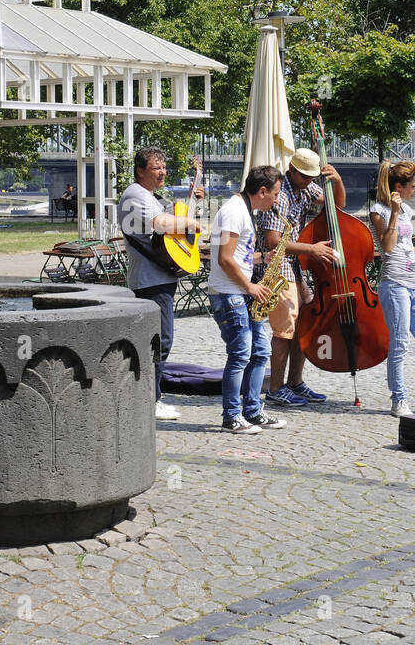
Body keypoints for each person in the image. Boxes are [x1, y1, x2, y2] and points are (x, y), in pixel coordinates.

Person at [119, 147, 206, 422]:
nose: (162, 172)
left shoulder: (151, 197)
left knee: (160, 340)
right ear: (140, 170)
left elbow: (177, 226)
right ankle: (150, 400)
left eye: (164, 167)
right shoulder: (135, 194)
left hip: (160, 277)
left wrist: (195, 203)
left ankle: (152, 396)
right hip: (149, 280)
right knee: (159, 340)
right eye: (157, 168)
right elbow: (161, 224)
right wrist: (189, 221)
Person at [259, 148, 342, 407]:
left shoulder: (305, 189)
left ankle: (295, 383)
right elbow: (273, 243)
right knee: (284, 330)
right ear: (291, 170)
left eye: (311, 177)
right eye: (304, 176)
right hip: (279, 267)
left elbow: (337, 206)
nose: (308, 180)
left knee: (302, 326)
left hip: (295, 266)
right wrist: (312, 249)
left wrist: (337, 181)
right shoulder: (280, 196)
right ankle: (275, 388)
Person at [209, 165, 287, 435]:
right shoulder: (233, 211)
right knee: (241, 353)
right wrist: (251, 287)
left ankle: (252, 411)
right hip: (230, 293)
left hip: (241, 291)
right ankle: (231, 416)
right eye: (275, 194)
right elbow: (224, 258)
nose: (276, 200)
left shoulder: (244, 210)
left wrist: (260, 259)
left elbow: (237, 255)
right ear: (262, 190)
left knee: (261, 351)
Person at [370, 160, 415, 418]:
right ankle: (399, 399)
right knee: (399, 345)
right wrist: (395, 212)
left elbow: (407, 247)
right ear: (399, 186)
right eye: (414, 185)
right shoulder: (378, 211)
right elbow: (387, 247)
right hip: (395, 284)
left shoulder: (408, 210)